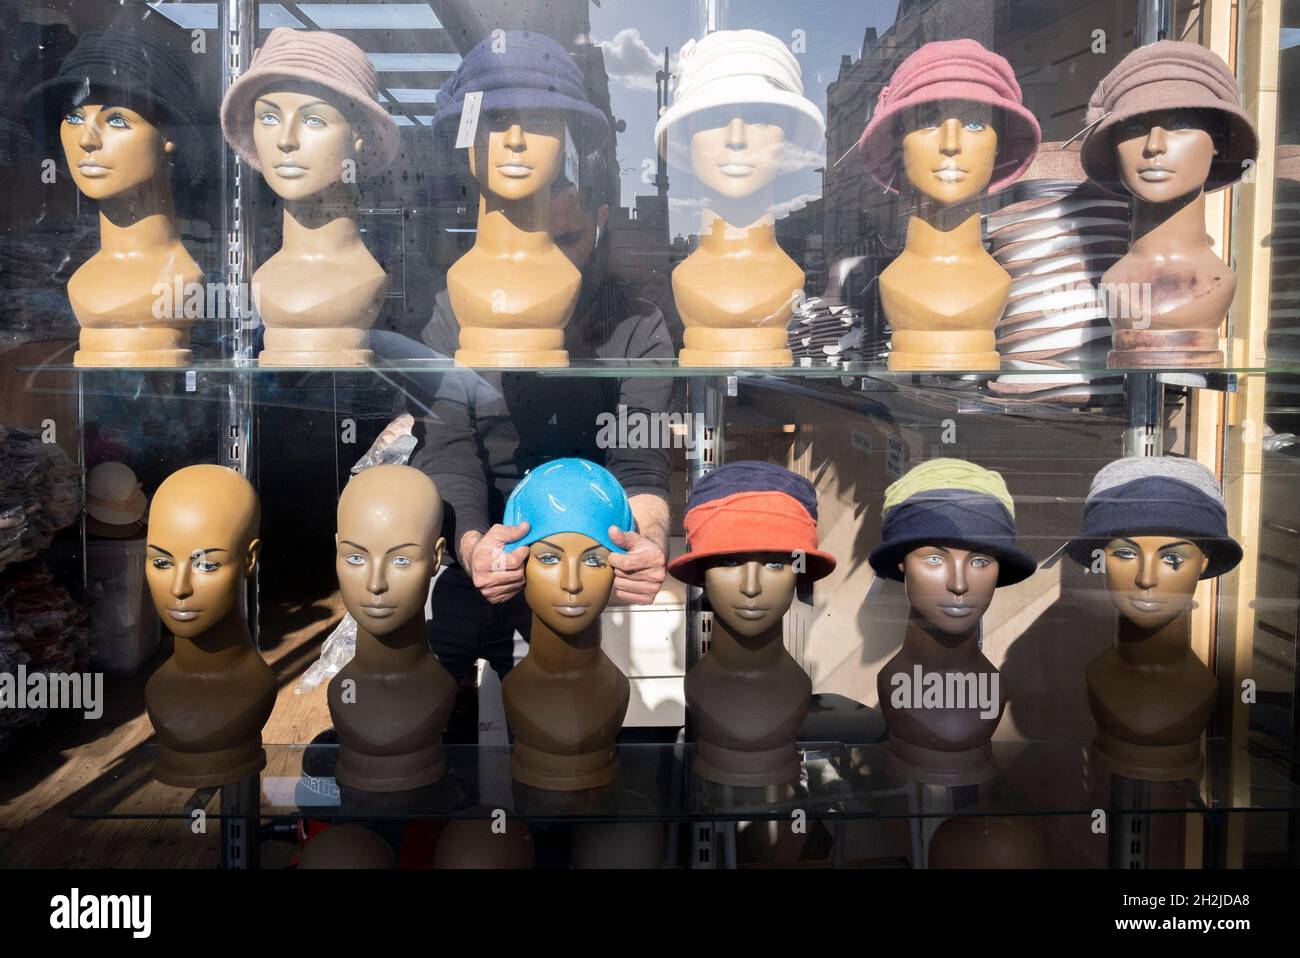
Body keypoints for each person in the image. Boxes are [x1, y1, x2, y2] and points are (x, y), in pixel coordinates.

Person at [409, 156, 674, 694]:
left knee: (565, 722)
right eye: (534, 238)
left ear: (601, 222)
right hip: (472, 541)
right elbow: (448, 443)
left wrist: (645, 538)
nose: (548, 262)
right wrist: (473, 546)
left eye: (569, 238)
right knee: (433, 719)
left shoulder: (637, 325)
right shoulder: (457, 312)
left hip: (576, 559)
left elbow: (639, 455)